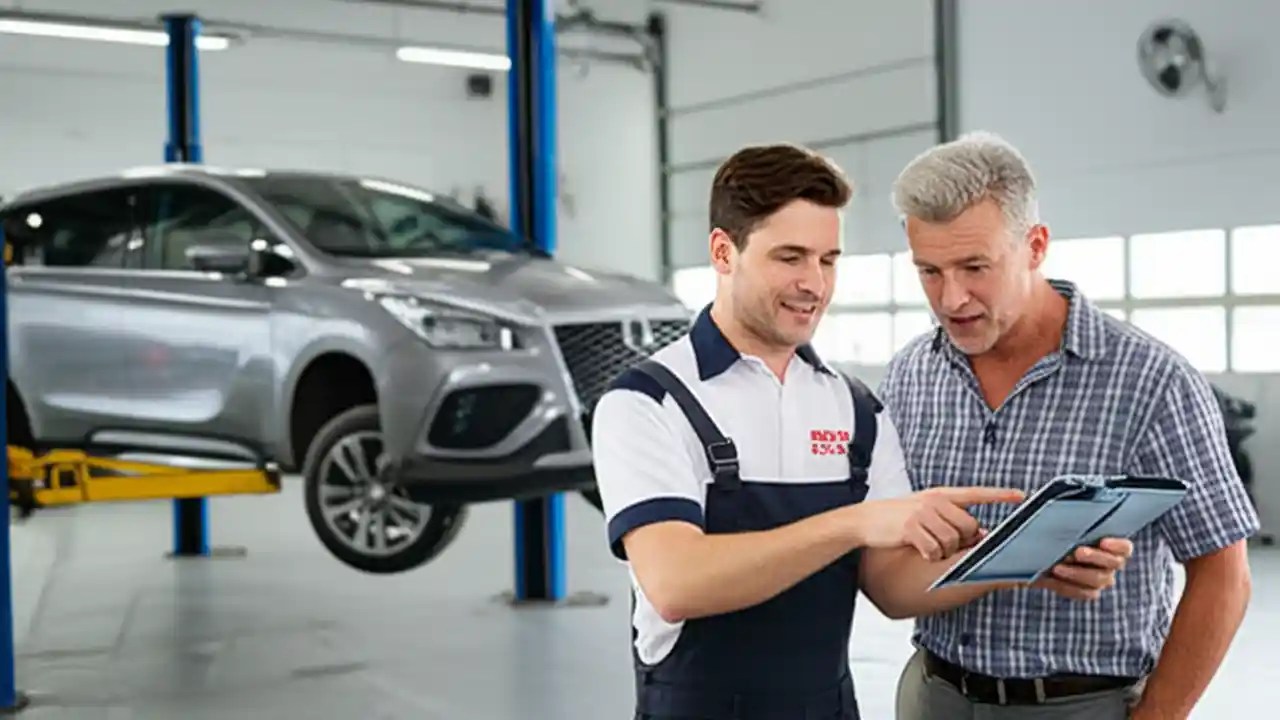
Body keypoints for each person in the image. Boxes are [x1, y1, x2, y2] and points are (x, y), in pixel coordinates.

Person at [590, 143, 1133, 720]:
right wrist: (856, 522)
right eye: (790, 257)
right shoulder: (648, 401)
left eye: (828, 260)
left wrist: (1023, 557)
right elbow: (677, 583)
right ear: (724, 253)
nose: (814, 284)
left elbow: (893, 588)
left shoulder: (853, 409)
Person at [881, 131, 1260, 720]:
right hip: (933, 694)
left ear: (1035, 245)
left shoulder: (1150, 380)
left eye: (974, 267)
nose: (951, 297)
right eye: (929, 271)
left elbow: (1224, 574)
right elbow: (887, 545)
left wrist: (1158, 716)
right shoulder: (910, 375)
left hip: (1080, 704)